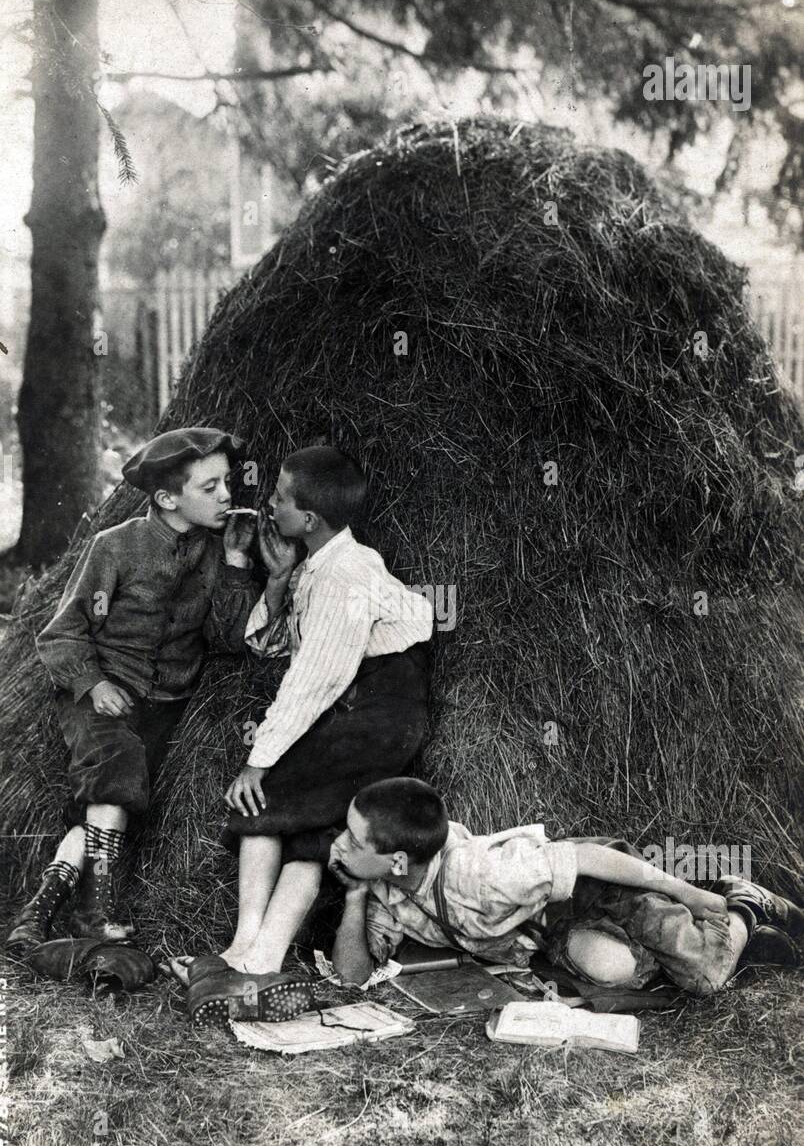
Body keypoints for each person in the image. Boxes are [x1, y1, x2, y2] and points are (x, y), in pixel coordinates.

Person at [181, 447, 433, 1028]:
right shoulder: (321, 564)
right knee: (314, 828)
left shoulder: (346, 575)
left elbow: (314, 679)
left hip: (374, 711)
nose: (267, 505)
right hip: (368, 710)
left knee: (266, 798)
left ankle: (252, 956)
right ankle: (252, 957)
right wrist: (277, 580)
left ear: (310, 519)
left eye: (279, 499)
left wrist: (258, 760)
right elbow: (271, 645)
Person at [7, 427, 259, 956]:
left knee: (103, 805)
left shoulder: (217, 554)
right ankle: (93, 913)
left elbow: (228, 641)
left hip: (165, 705)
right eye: (209, 487)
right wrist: (92, 683)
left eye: (227, 484)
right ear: (167, 499)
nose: (227, 497)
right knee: (117, 767)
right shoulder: (114, 546)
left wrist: (237, 566)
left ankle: (38, 912)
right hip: (101, 697)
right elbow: (62, 631)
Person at [328, 778, 803, 994]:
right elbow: (351, 976)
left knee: (704, 977)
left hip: (596, 888)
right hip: (551, 928)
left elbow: (589, 857)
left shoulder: (482, 877)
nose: (340, 845)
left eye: (352, 839)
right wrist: (353, 895)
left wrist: (687, 892)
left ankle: (742, 901)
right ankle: (746, 945)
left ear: (395, 860)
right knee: (617, 971)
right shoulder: (383, 892)